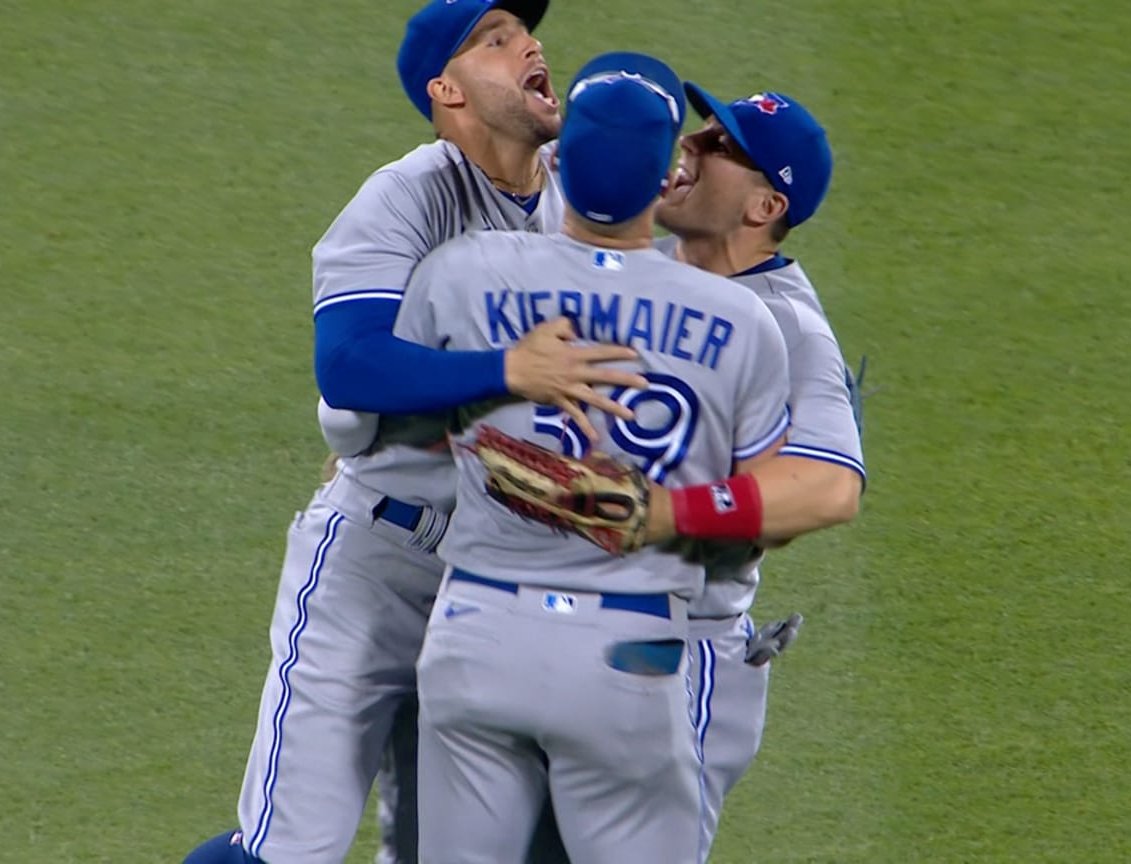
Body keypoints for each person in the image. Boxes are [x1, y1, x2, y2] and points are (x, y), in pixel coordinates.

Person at [180, 2, 646, 862]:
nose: (530, 47)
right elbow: (351, 361)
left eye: (528, 33)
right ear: (447, 90)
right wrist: (510, 371)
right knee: (287, 849)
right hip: (377, 564)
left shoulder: (586, 198)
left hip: (502, 581)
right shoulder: (404, 198)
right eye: (496, 41)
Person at [392, 53, 794, 864]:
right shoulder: (745, 321)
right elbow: (764, 519)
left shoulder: (462, 270)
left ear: (560, 162)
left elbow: (383, 426)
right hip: (628, 652)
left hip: (474, 632)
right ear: (663, 182)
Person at [514, 87, 867, 862]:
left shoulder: (788, 325)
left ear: (764, 205)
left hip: (673, 662)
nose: (693, 146)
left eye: (721, 146)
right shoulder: (647, 265)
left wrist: (664, 513)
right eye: (701, 130)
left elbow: (830, 488)